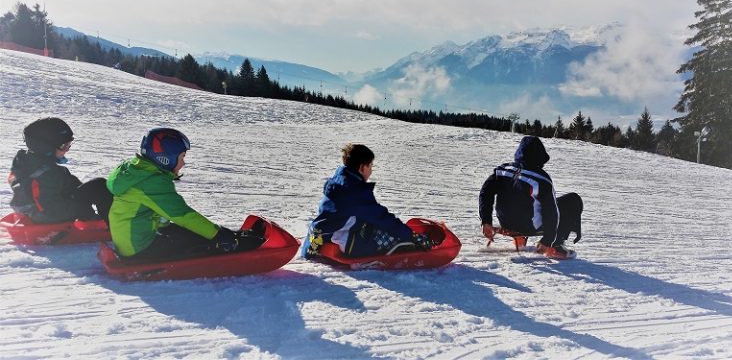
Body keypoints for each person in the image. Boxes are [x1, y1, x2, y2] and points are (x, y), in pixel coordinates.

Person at [106, 128, 265, 261]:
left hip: (134, 240)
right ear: (165, 158)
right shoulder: (151, 182)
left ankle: (233, 236)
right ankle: (234, 246)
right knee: (197, 242)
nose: (183, 163)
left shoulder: (139, 172)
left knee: (187, 232)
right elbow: (182, 215)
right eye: (182, 157)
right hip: (140, 250)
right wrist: (218, 235)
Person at [301, 143, 433, 259]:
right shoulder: (355, 191)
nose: (371, 170)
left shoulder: (339, 181)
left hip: (323, 235)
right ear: (361, 167)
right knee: (392, 236)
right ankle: (412, 246)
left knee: (372, 223)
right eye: (370, 166)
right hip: (348, 242)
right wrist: (411, 236)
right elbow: (381, 217)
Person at [478, 135, 582, 259]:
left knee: (522, 200)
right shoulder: (541, 179)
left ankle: (521, 238)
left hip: (505, 222)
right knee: (572, 200)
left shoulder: (502, 170)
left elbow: (485, 193)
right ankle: (555, 246)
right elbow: (551, 212)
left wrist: (486, 221)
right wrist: (548, 240)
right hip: (528, 226)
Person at [8, 117, 112, 224]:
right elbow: (49, 207)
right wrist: (81, 209)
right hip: (45, 216)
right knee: (100, 186)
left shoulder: (25, 163)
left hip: (32, 212)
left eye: (68, 145)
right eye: (63, 146)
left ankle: (99, 218)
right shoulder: (46, 173)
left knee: (78, 184)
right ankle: (113, 226)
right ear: (45, 147)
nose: (66, 150)